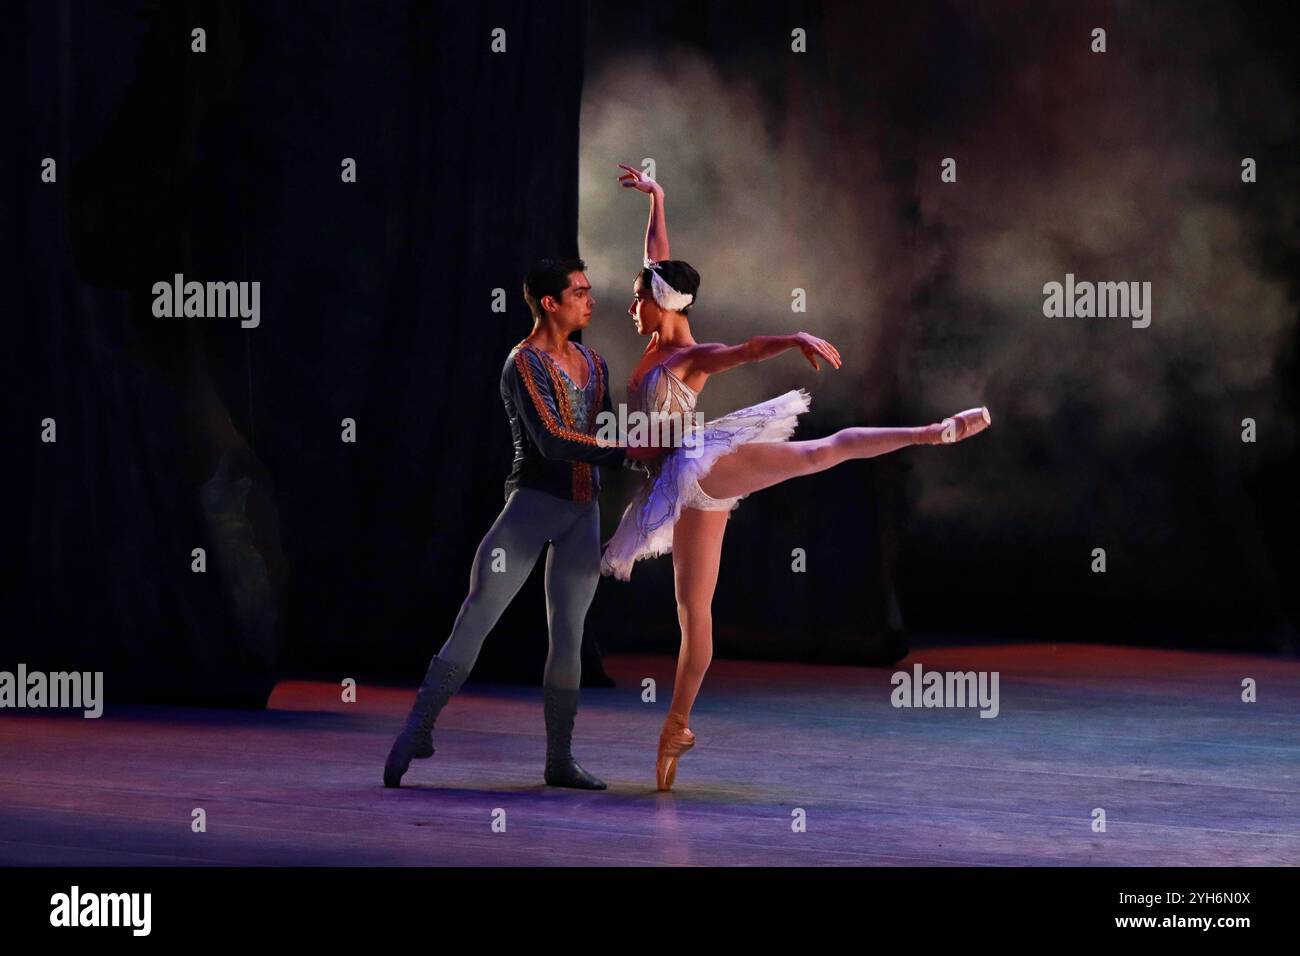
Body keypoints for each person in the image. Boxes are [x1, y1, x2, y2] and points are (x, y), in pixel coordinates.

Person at [602, 166, 991, 790]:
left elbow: (748, 349)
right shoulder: (656, 335)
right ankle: (676, 725)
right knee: (691, 614)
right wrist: (659, 199)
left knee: (820, 451)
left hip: (703, 460)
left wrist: (792, 337)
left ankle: (930, 431)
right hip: (680, 487)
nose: (629, 305)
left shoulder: (689, 355)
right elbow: (658, 258)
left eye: (637, 297)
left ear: (659, 303)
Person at [384, 258, 625, 790]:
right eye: (580, 292)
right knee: (476, 617)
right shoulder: (524, 363)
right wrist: (629, 450)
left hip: (583, 513)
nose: (591, 300)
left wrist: (657, 441)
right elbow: (553, 440)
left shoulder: (595, 362)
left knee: (569, 635)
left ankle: (559, 759)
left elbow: (604, 426)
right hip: (531, 507)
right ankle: (418, 728)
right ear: (550, 303)